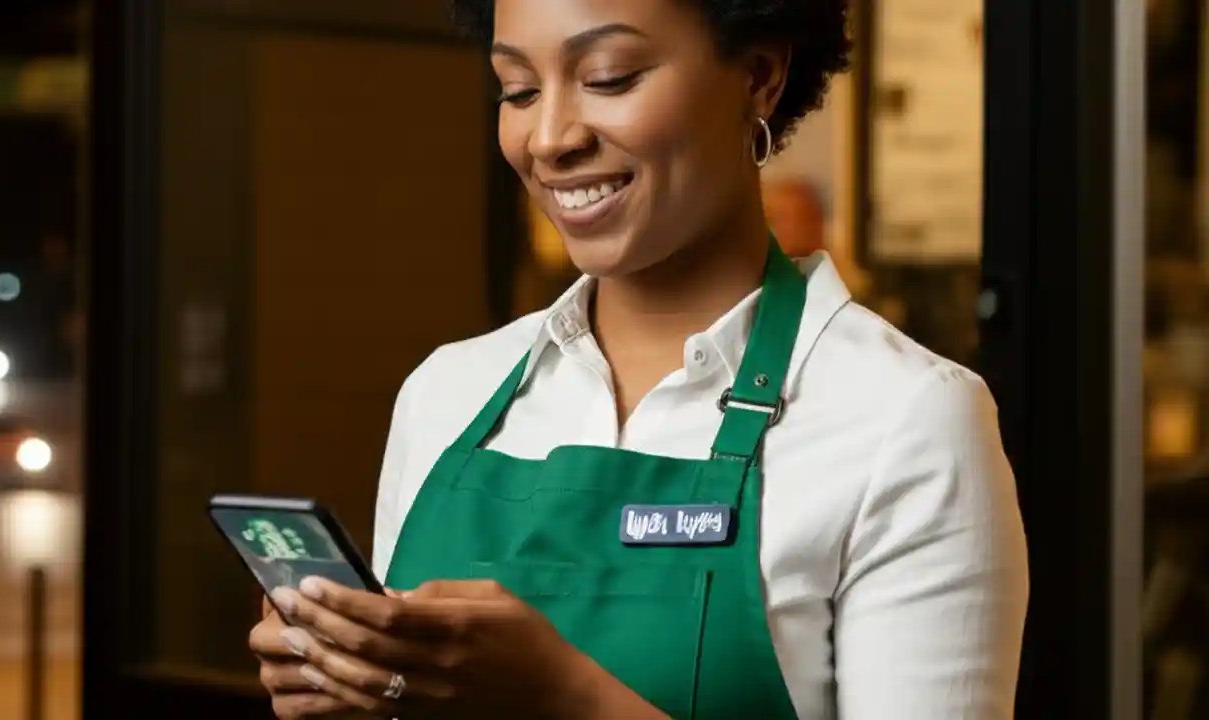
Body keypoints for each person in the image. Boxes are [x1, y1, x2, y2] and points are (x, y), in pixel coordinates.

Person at [249, 0, 1029, 718]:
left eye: (607, 78)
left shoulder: (906, 420)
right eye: (517, 90)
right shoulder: (448, 392)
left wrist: (565, 699)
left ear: (759, 76)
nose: (550, 137)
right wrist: (355, 685)